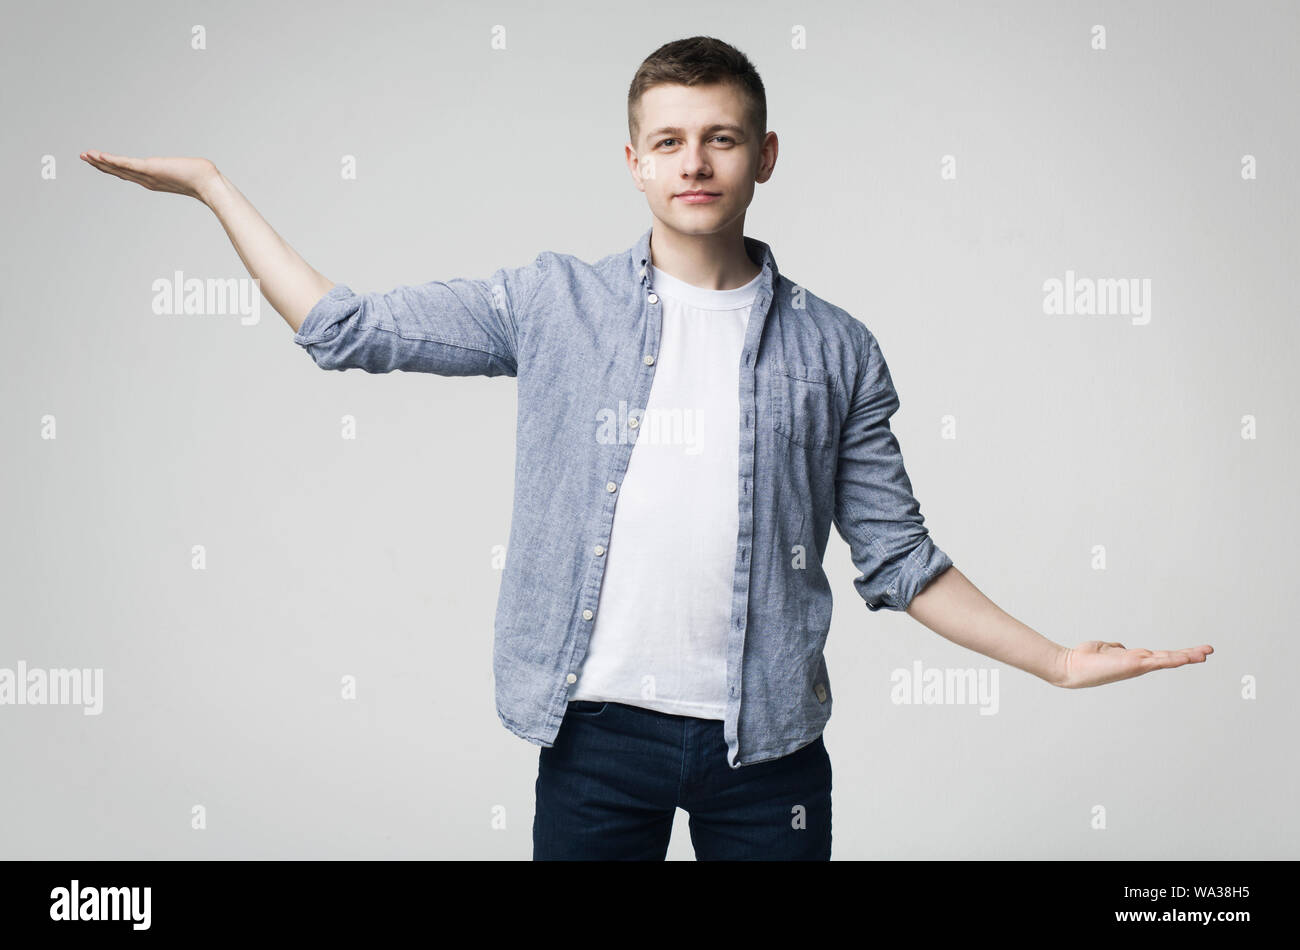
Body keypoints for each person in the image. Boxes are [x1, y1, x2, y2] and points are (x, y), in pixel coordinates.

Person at [81, 35, 1213, 861]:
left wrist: (1058, 661)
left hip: (766, 747)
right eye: (668, 140)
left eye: (720, 137)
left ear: (764, 154)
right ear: (631, 162)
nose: (695, 161)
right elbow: (346, 328)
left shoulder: (836, 349)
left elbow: (900, 559)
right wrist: (213, 189)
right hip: (595, 736)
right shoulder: (552, 304)